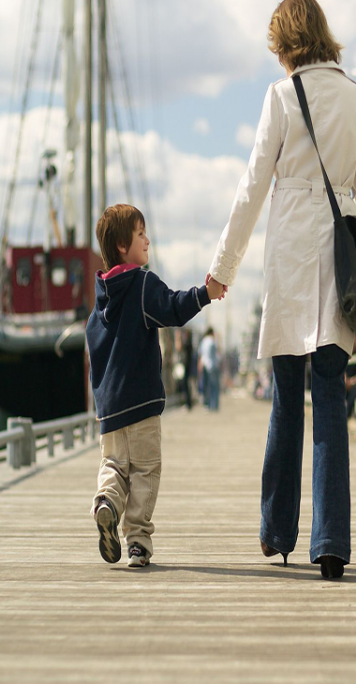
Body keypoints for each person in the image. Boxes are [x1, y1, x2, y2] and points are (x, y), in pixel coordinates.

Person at [207, 0, 356, 581]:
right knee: (329, 396)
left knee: (286, 397)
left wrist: (223, 267)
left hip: (290, 253)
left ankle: (278, 532)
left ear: (286, 44)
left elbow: (253, 184)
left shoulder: (282, 96)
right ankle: (330, 544)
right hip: (339, 256)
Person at [87, 203, 223, 568]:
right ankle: (137, 543)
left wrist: (101, 400)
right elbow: (172, 307)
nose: (147, 239)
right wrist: (205, 294)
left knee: (114, 466)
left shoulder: (100, 299)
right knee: (146, 471)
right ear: (122, 246)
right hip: (142, 402)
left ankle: (106, 502)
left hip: (111, 410)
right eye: (140, 233)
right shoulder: (142, 283)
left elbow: (94, 348)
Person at [198, 327, 220, 411]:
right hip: (213, 365)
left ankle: (206, 404)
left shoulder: (203, 341)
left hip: (204, 365)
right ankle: (214, 405)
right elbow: (216, 353)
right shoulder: (212, 341)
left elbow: (200, 354)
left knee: (206, 386)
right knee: (214, 387)